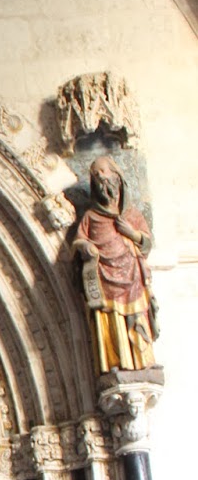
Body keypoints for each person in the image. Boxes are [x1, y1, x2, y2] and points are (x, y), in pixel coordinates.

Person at [71, 155, 158, 373]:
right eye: (96, 175)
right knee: (110, 319)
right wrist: (86, 247)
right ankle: (117, 362)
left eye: (103, 171)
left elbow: (147, 243)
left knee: (137, 315)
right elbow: (78, 241)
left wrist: (132, 233)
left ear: (117, 176)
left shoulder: (131, 214)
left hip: (132, 277)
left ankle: (141, 360)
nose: (101, 178)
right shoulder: (92, 216)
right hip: (105, 278)